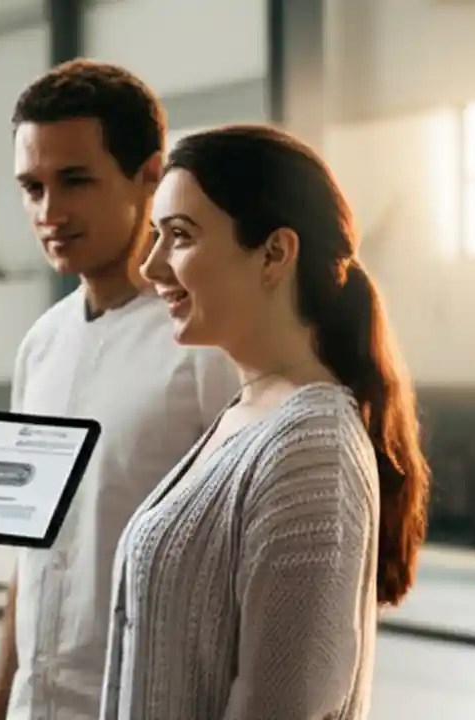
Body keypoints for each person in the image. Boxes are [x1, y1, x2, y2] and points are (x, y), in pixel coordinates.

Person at [101, 125, 430, 719]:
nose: (150, 266)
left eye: (180, 236)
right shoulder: (249, 412)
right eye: (156, 236)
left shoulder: (311, 449)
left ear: (275, 254)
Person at [0, 60, 238, 720]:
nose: (50, 212)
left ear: (150, 175)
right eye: (32, 187)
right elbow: (31, 558)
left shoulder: (208, 346)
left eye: (75, 181)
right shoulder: (40, 345)